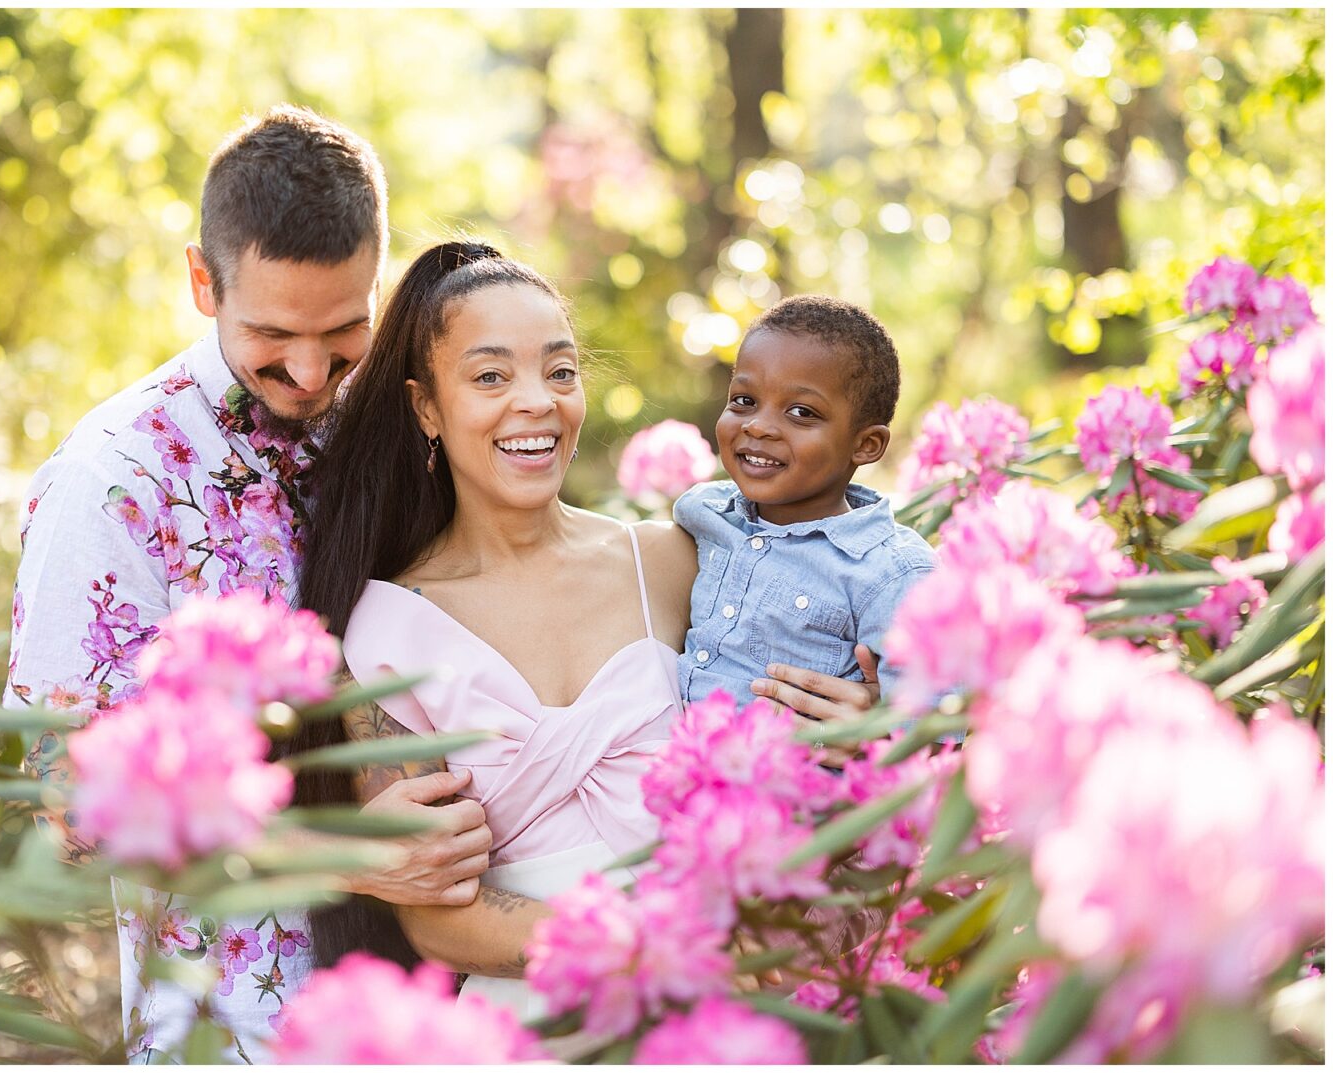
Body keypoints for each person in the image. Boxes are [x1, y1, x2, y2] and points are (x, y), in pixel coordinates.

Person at [4, 107, 493, 1064]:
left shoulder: (414, 427)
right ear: (202, 279)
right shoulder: (116, 479)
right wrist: (345, 850)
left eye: (345, 331)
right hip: (236, 1032)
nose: (311, 372)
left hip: (454, 1010)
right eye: (273, 333)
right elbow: (66, 802)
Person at [296, 243, 879, 1043]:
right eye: (491, 376)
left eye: (560, 372)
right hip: (529, 1025)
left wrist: (865, 714)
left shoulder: (673, 559)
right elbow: (437, 918)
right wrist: (651, 949)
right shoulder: (387, 627)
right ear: (426, 407)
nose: (535, 401)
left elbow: (806, 694)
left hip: (721, 1015)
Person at [674, 295, 936, 711]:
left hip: (796, 771)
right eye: (744, 401)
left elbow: (932, 730)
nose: (758, 426)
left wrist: (876, 730)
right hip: (676, 764)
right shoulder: (703, 513)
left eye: (800, 412)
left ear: (866, 445)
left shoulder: (892, 575)